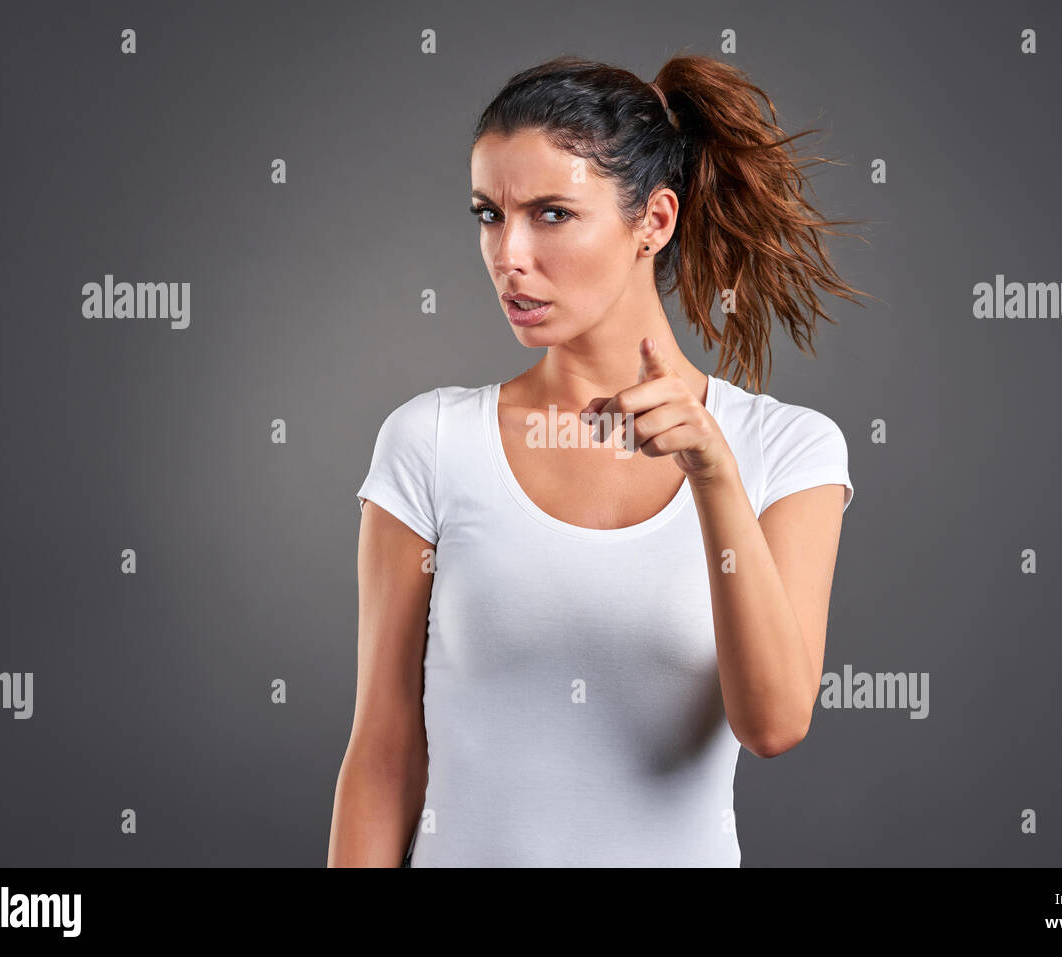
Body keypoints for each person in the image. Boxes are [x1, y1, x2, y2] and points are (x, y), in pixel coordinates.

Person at [328, 53, 868, 867]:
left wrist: (713, 476)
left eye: (550, 213)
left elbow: (774, 723)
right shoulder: (431, 443)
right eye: (488, 213)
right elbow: (384, 751)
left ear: (653, 220)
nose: (508, 254)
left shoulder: (784, 448)